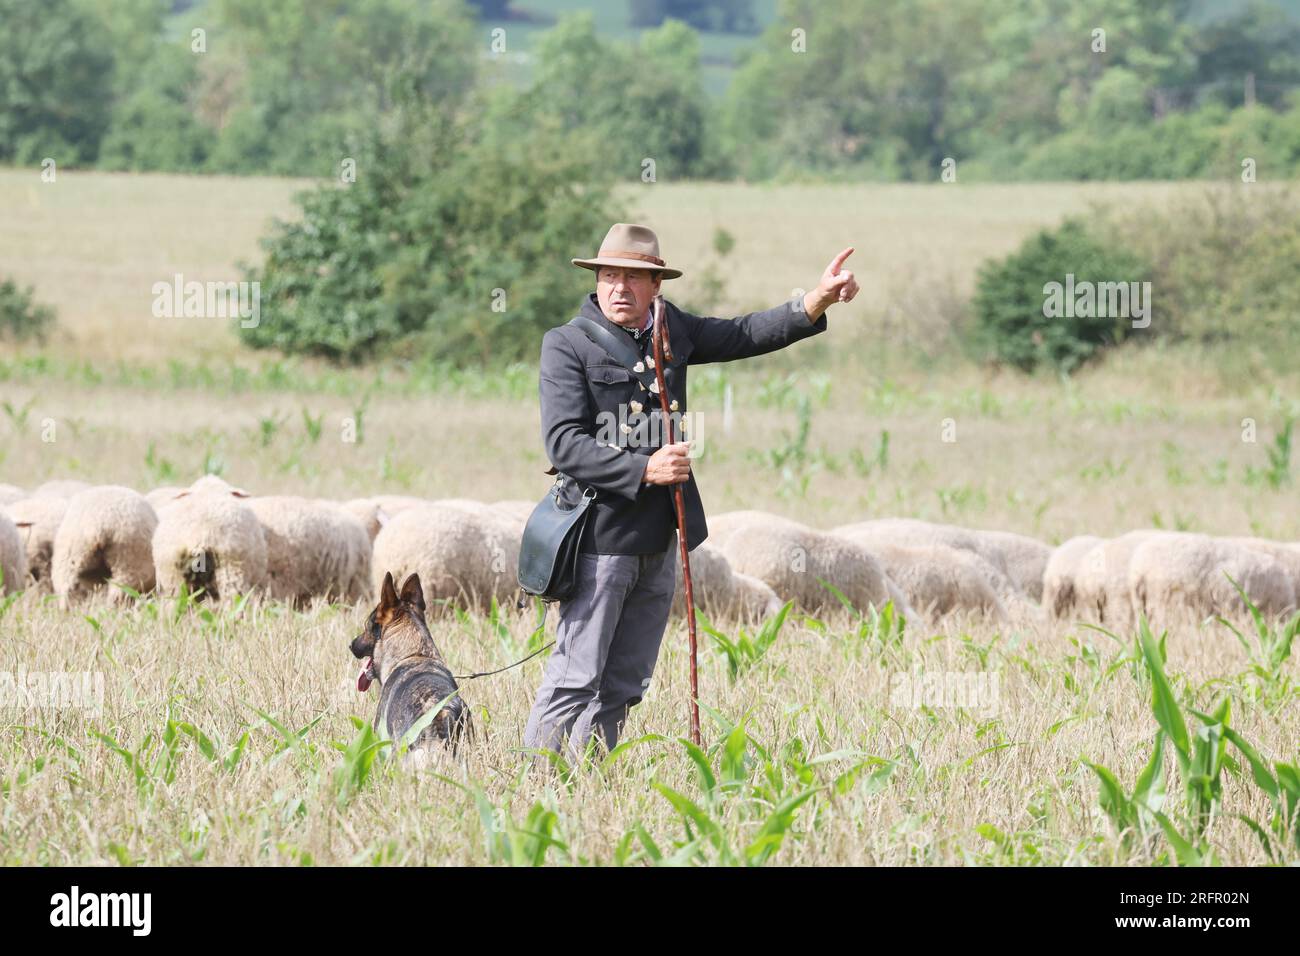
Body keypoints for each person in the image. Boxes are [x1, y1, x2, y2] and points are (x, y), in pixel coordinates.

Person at [522, 222, 859, 760]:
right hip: (601, 535)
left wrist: (814, 301)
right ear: (596, 279)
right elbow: (564, 443)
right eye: (611, 275)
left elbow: (744, 333)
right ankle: (538, 779)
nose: (620, 288)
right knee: (576, 676)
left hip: (660, 536)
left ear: (656, 285)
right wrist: (642, 469)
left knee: (626, 683)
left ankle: (587, 776)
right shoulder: (567, 344)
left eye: (634, 278)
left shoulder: (671, 328)